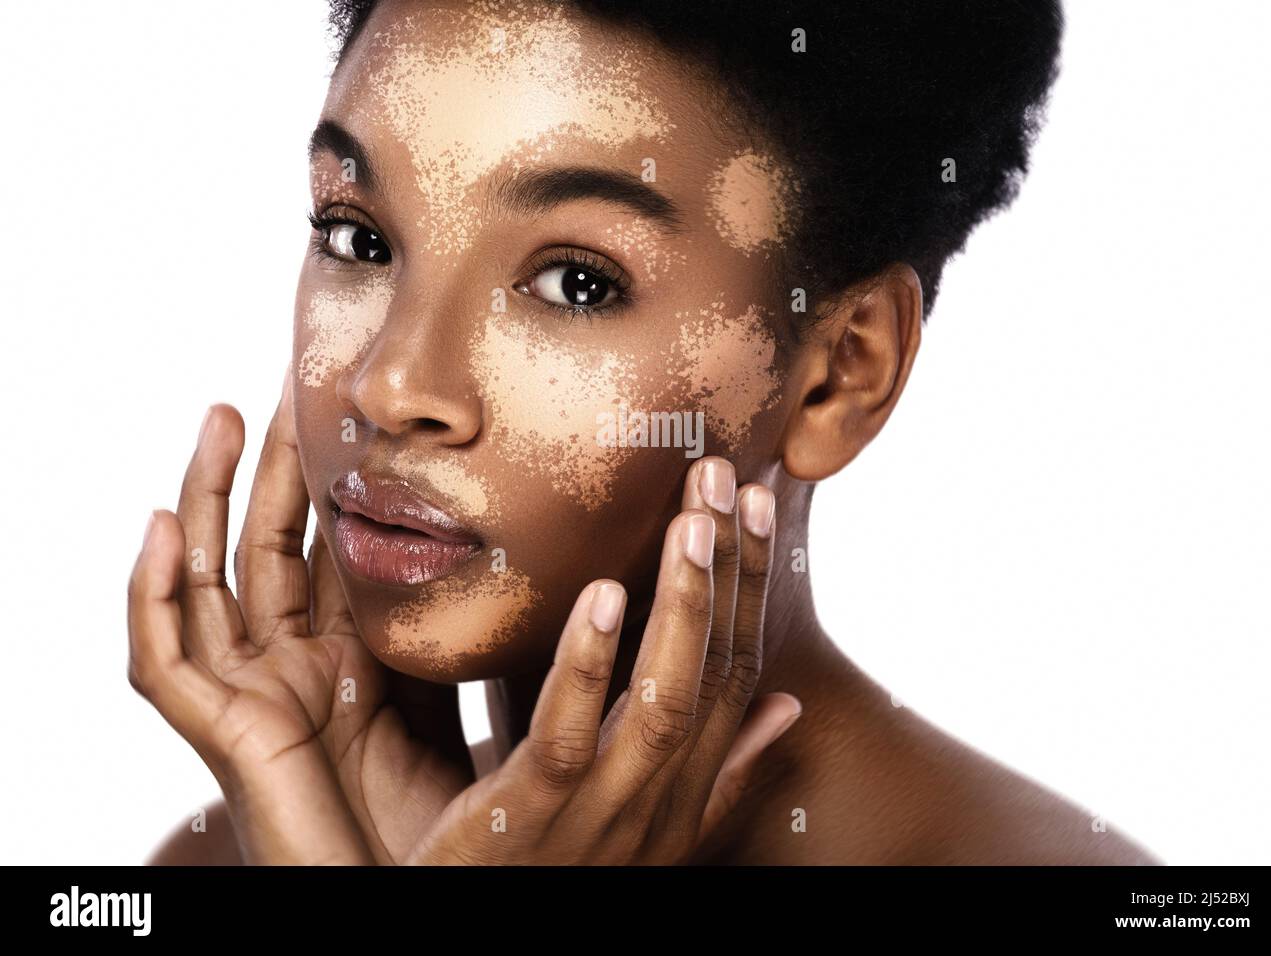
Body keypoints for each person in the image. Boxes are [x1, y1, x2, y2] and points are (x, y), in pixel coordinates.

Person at [132, 0, 1158, 864]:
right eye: (357, 238)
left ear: (839, 373)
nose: (389, 383)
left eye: (576, 282)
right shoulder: (251, 848)